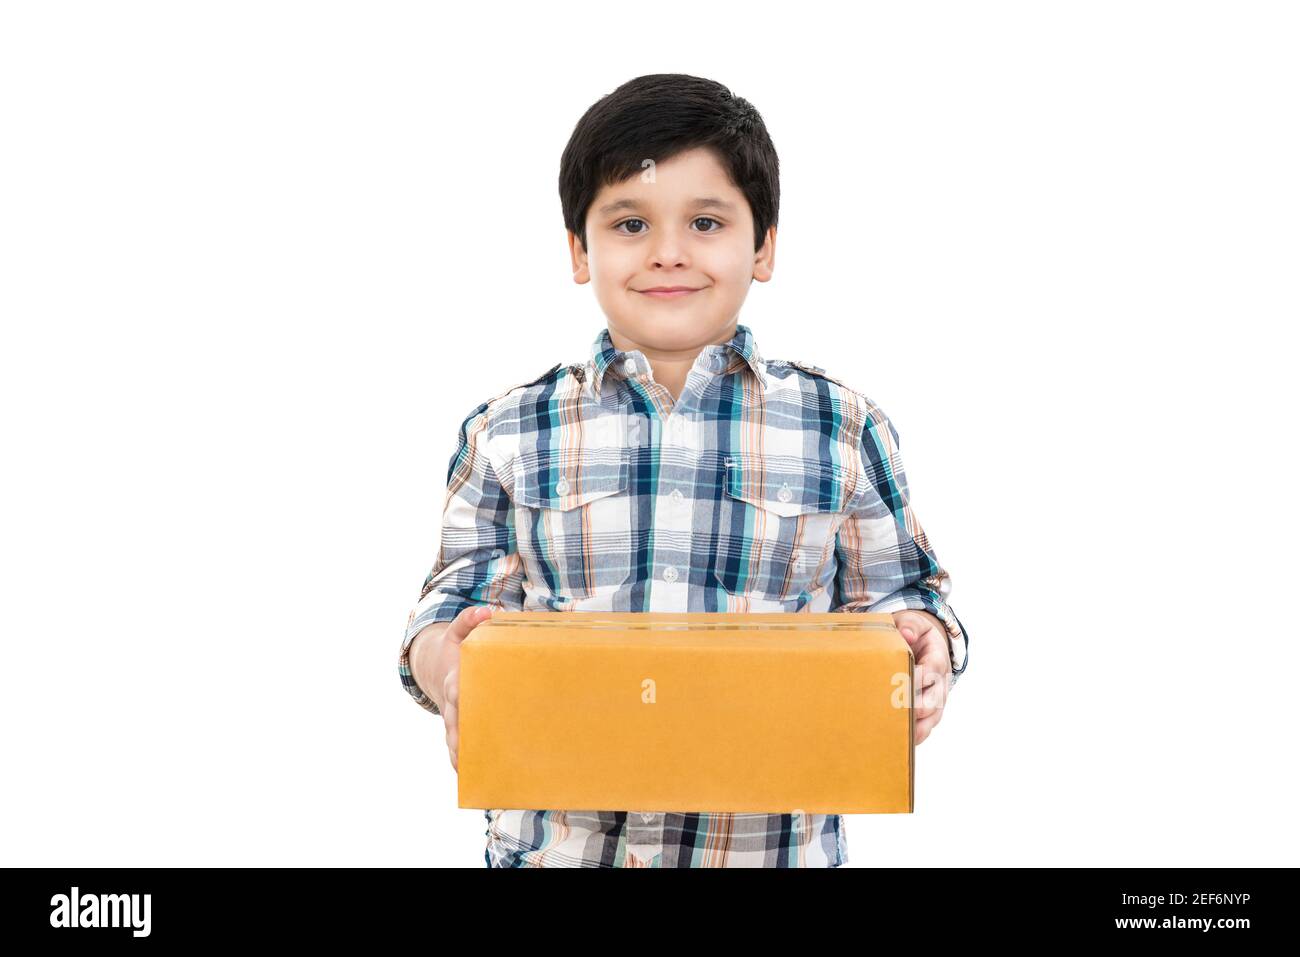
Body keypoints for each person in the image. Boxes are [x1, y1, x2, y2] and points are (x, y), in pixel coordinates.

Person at [399, 73, 970, 867]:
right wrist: (448, 659)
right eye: (630, 223)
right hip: (557, 852)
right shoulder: (506, 431)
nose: (668, 252)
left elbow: (904, 601)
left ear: (763, 245)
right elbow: (448, 610)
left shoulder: (844, 427)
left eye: (706, 222)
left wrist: (927, 646)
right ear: (578, 250)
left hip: (771, 851)